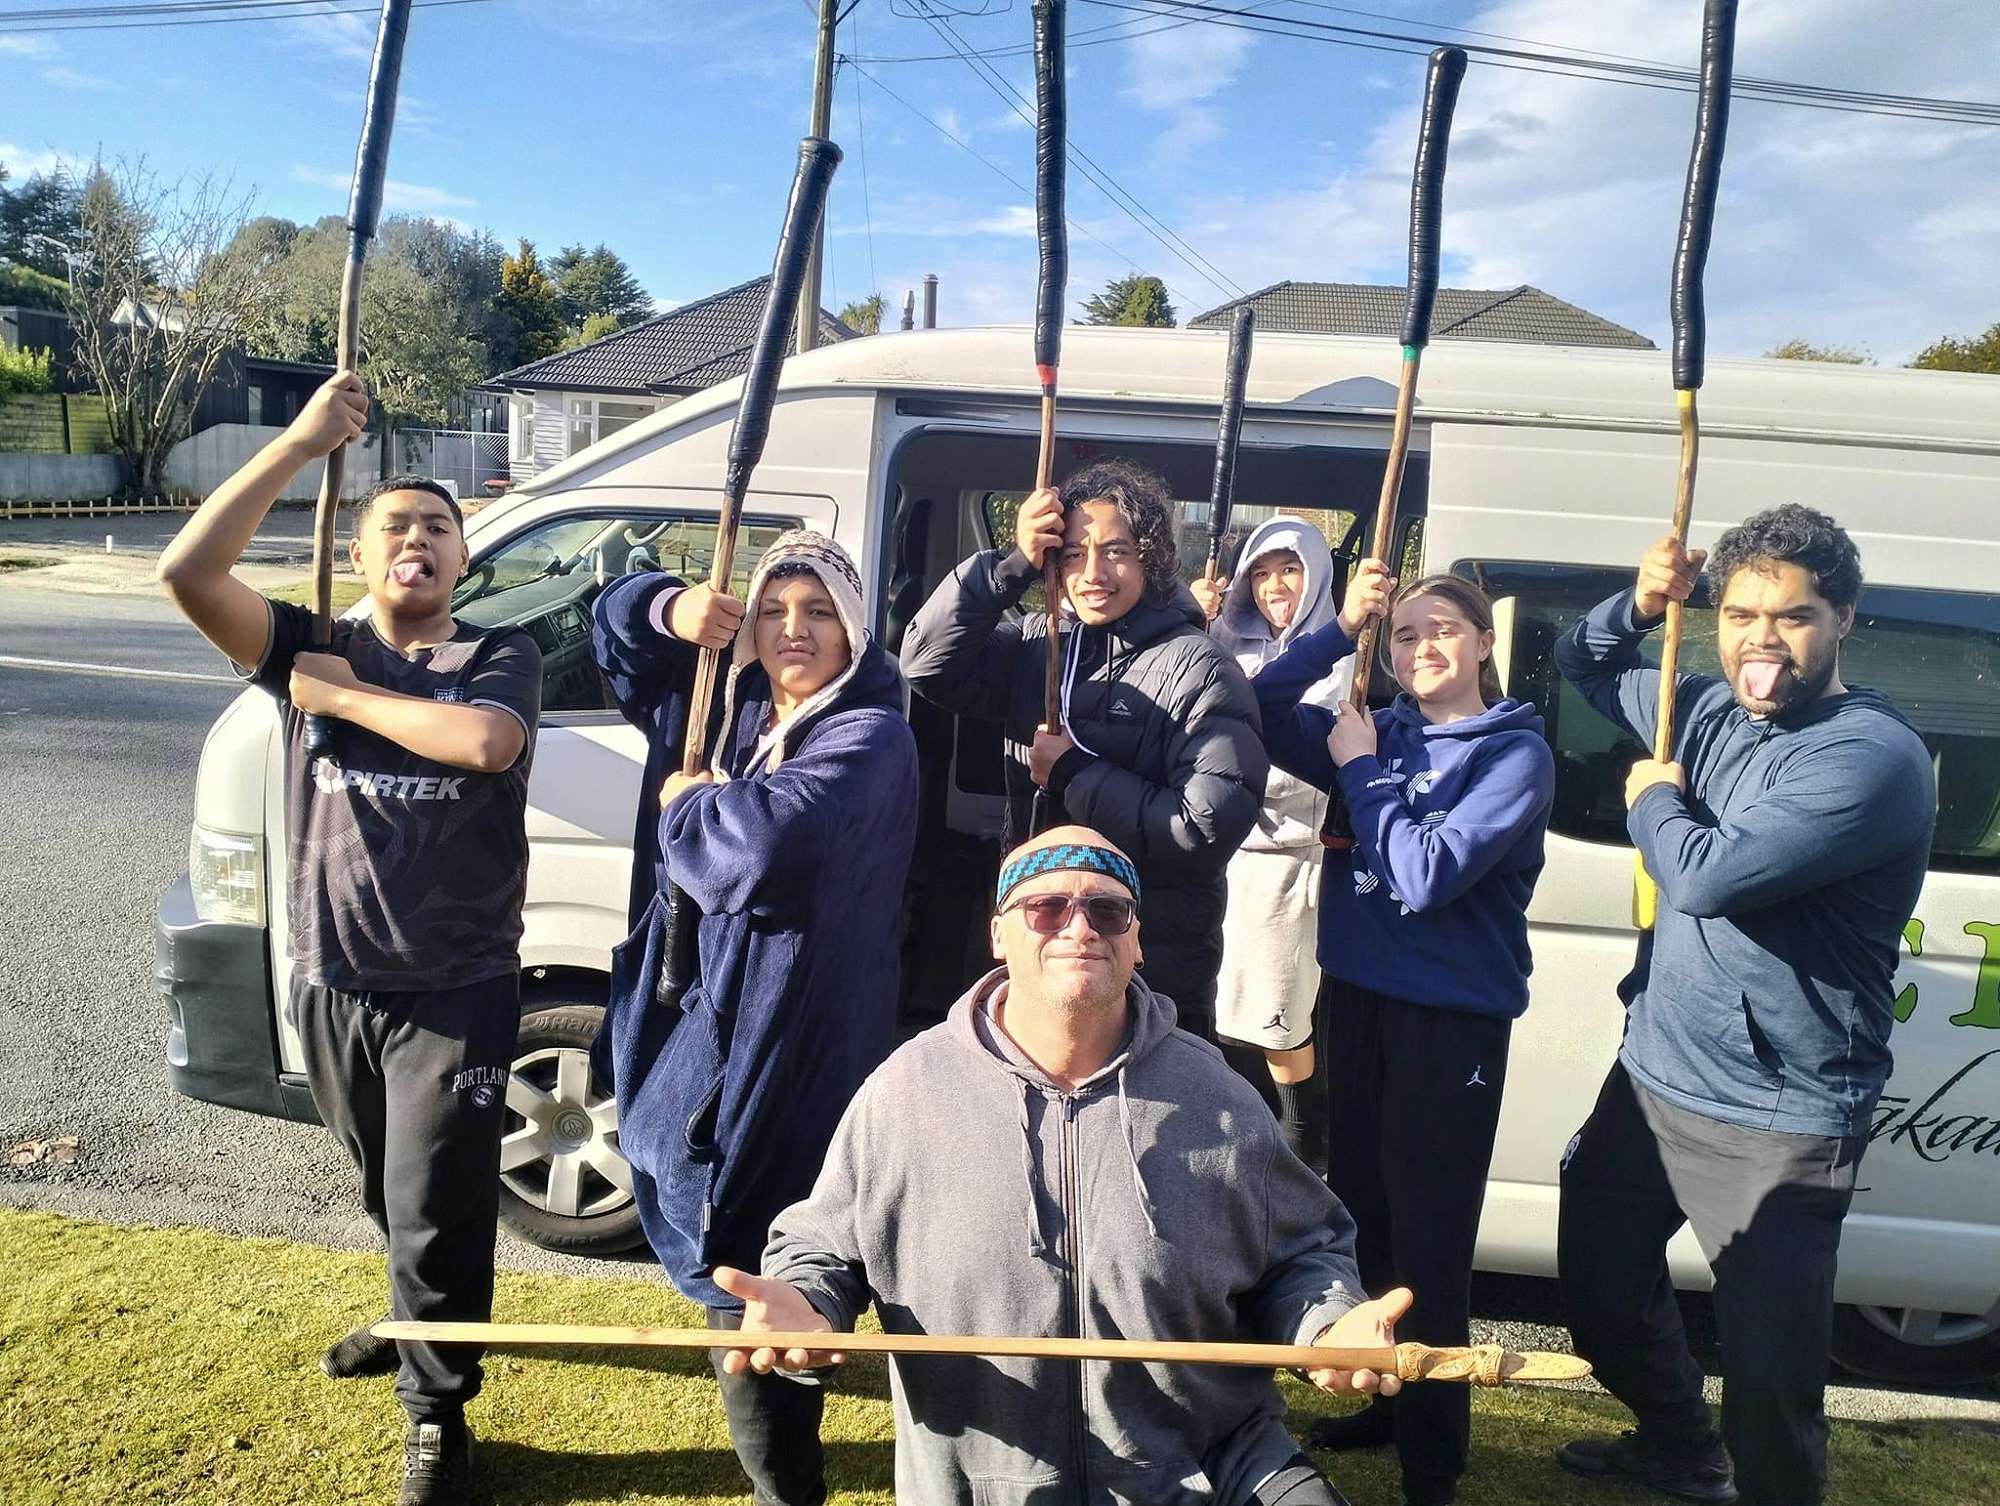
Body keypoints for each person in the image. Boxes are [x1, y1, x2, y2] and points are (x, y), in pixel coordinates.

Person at [716, 823, 1414, 1505]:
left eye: (1108, 912)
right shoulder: (904, 1092)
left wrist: (1331, 1322)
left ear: (1136, 941)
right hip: (981, 1487)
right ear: (998, 934)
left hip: (1211, 1467)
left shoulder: (1219, 1098)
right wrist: (806, 1298)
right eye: (1047, 908)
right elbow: (822, 1247)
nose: (1080, 929)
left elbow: (1302, 1254)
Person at [157, 372, 541, 1506]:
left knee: (438, 1204)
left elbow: (485, 745)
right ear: (362, 553)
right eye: (394, 525)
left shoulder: (495, 653)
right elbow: (187, 574)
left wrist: (339, 699)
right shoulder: (305, 641)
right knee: (387, 1187)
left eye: (437, 527)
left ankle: (435, 1413)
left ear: (463, 559)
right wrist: (299, 442)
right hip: (330, 974)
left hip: (455, 989)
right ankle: (410, 1313)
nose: (416, 539)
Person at [1551, 505, 1936, 1506]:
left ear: (1842, 616)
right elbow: (1580, 662)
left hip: (1781, 1115)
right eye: (1738, 615)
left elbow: (1707, 876)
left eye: (1790, 617)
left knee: (1769, 1384)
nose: (1760, 640)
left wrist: (1649, 795)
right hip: (1654, 1077)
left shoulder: (1868, 757)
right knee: (1597, 1289)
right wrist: (1639, 605)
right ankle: (1676, 1445)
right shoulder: (1709, 708)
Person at [590, 529, 918, 1506]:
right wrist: (668, 607)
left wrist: (685, 808)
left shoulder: (870, 736)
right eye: (773, 609)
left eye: (818, 611)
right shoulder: (721, 704)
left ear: (853, 632)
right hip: (701, 1020)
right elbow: (611, 634)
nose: (792, 629)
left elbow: (764, 849)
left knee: (759, 1266)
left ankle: (787, 1477)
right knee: (709, 1224)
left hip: (794, 1037)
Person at [1256, 567, 1555, 1506]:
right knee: (1364, 1217)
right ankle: (1386, 1402)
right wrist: (1338, 629)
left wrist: (1358, 767)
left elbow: (1427, 875)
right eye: (1405, 635)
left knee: (1431, 1241)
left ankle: (1434, 1460)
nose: (1422, 648)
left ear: (1483, 644)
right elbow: (1253, 705)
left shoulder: (1514, 755)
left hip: (1448, 1021)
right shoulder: (1376, 724)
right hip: (1360, 1001)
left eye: (1444, 630)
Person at [900, 458, 1267, 1037]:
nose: (1093, 573)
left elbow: (1202, 828)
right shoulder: (1037, 643)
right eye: (1072, 554)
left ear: (1150, 559)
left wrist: (1073, 772)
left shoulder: (1201, 667)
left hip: (1150, 962)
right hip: (1044, 937)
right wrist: (1012, 566)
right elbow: (927, 664)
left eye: (1115, 552)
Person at [1189, 516, 1371, 1171]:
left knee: (1279, 1017)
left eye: (1289, 569)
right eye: (1261, 573)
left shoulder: (1344, 659)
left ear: (1316, 573)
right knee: (1220, 1009)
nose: (1274, 586)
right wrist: (1190, 619)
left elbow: (1300, 761)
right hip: (1221, 860)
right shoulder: (1220, 642)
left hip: (1289, 862)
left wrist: (1221, 769)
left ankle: (1300, 1141)